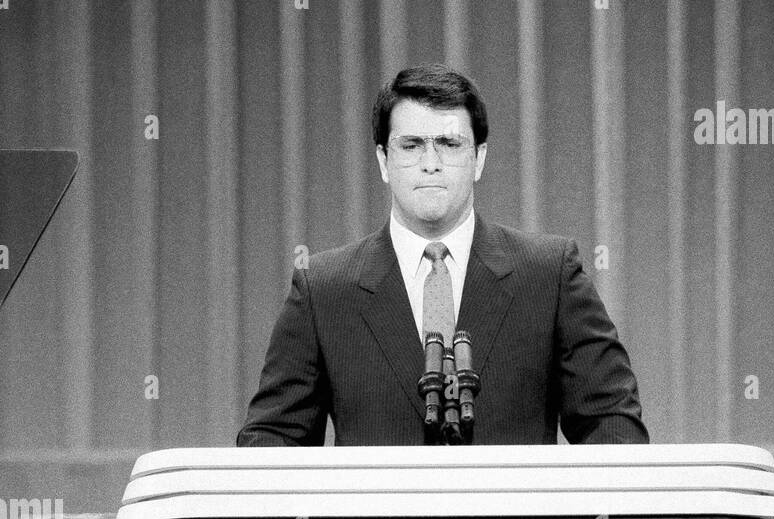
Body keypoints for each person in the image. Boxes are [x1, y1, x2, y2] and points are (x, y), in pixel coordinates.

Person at [237, 65, 647, 447]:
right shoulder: (324, 289)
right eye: (411, 145)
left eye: (449, 144)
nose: (430, 163)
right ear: (383, 161)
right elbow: (271, 443)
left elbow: (613, 427)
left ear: (479, 159)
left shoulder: (549, 274)